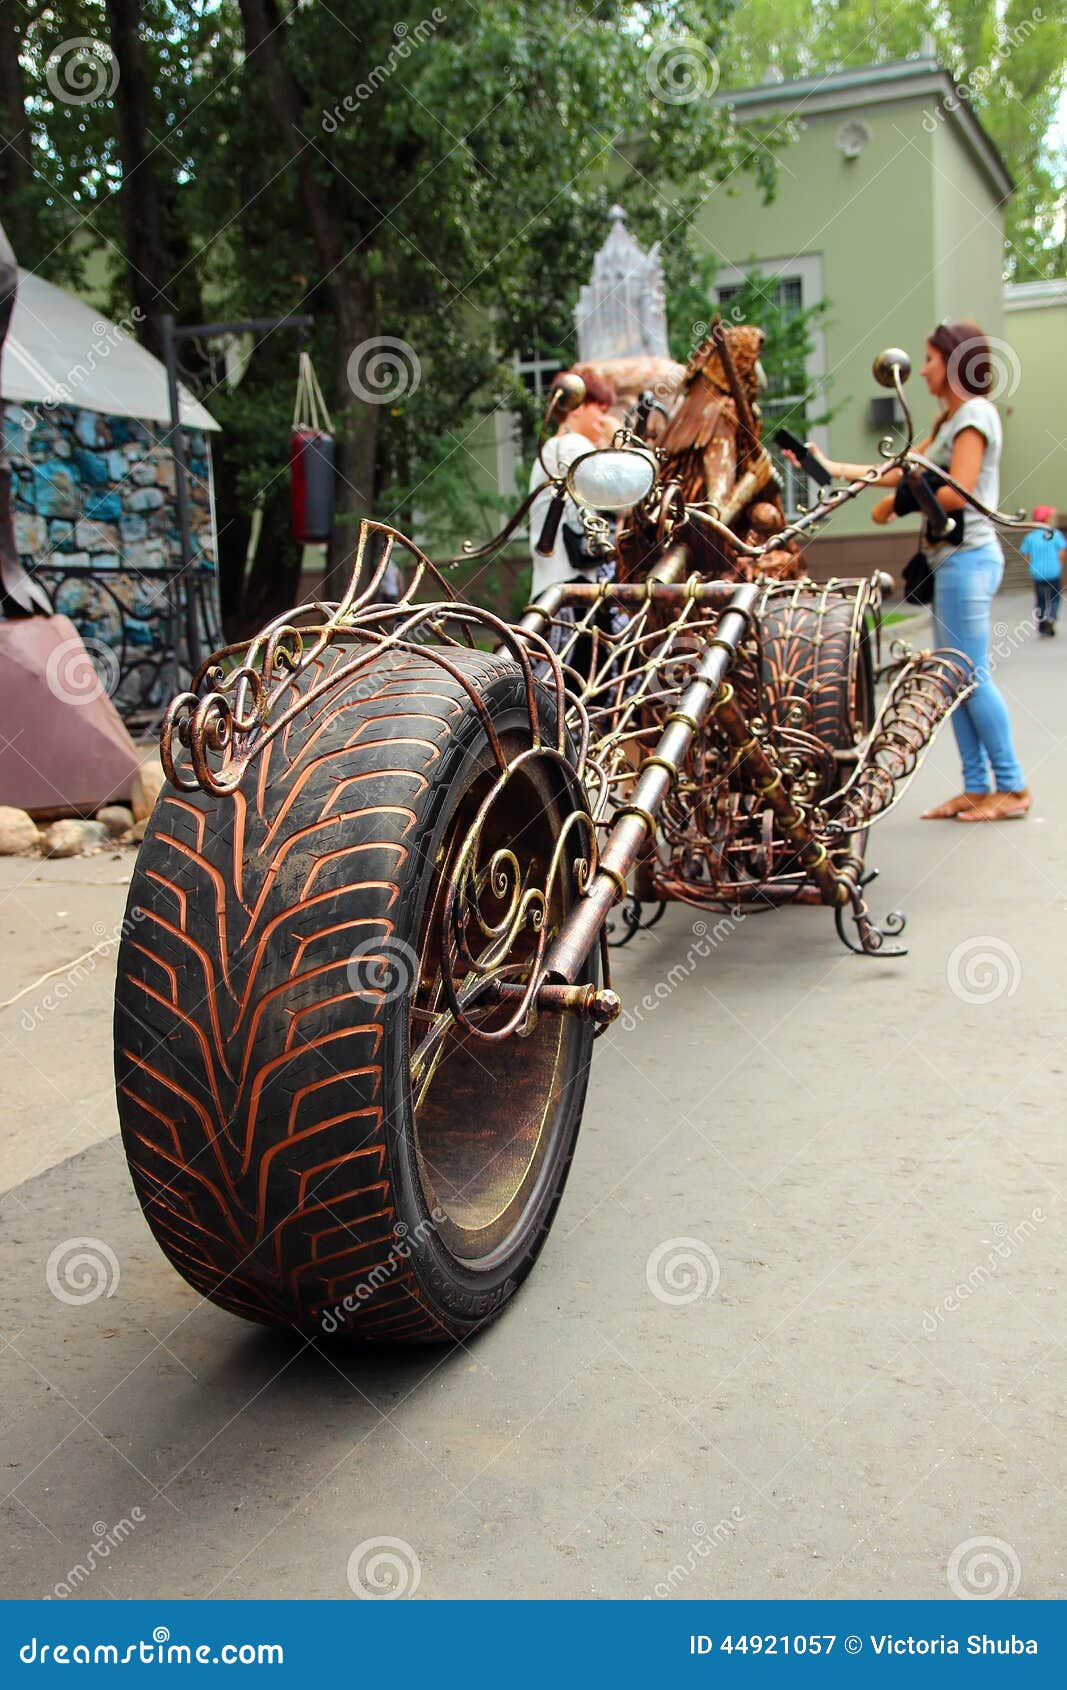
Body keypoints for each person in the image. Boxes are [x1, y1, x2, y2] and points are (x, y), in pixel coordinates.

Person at [790, 320, 1029, 823]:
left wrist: (896, 507)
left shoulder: (975, 416)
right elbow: (902, 471)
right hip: (949, 560)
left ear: (955, 361)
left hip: (969, 557)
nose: (920, 371)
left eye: (928, 359)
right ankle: (976, 787)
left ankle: (1012, 787)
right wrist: (831, 467)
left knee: (969, 673)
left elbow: (956, 490)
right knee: (953, 677)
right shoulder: (948, 421)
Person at [528, 365, 617, 602]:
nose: (604, 418)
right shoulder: (572, 445)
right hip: (574, 588)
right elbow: (622, 495)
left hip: (551, 586)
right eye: (601, 409)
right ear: (576, 408)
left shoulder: (551, 449)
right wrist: (618, 442)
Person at [1020, 505, 1065, 636]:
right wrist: (1059, 565)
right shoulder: (1055, 534)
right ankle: (1051, 617)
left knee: (1040, 600)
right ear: (1045, 519)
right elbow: (1062, 552)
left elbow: (1025, 554)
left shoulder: (1031, 537)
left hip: (1038, 573)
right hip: (1054, 572)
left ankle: (1041, 624)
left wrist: (1032, 565)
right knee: (1055, 598)